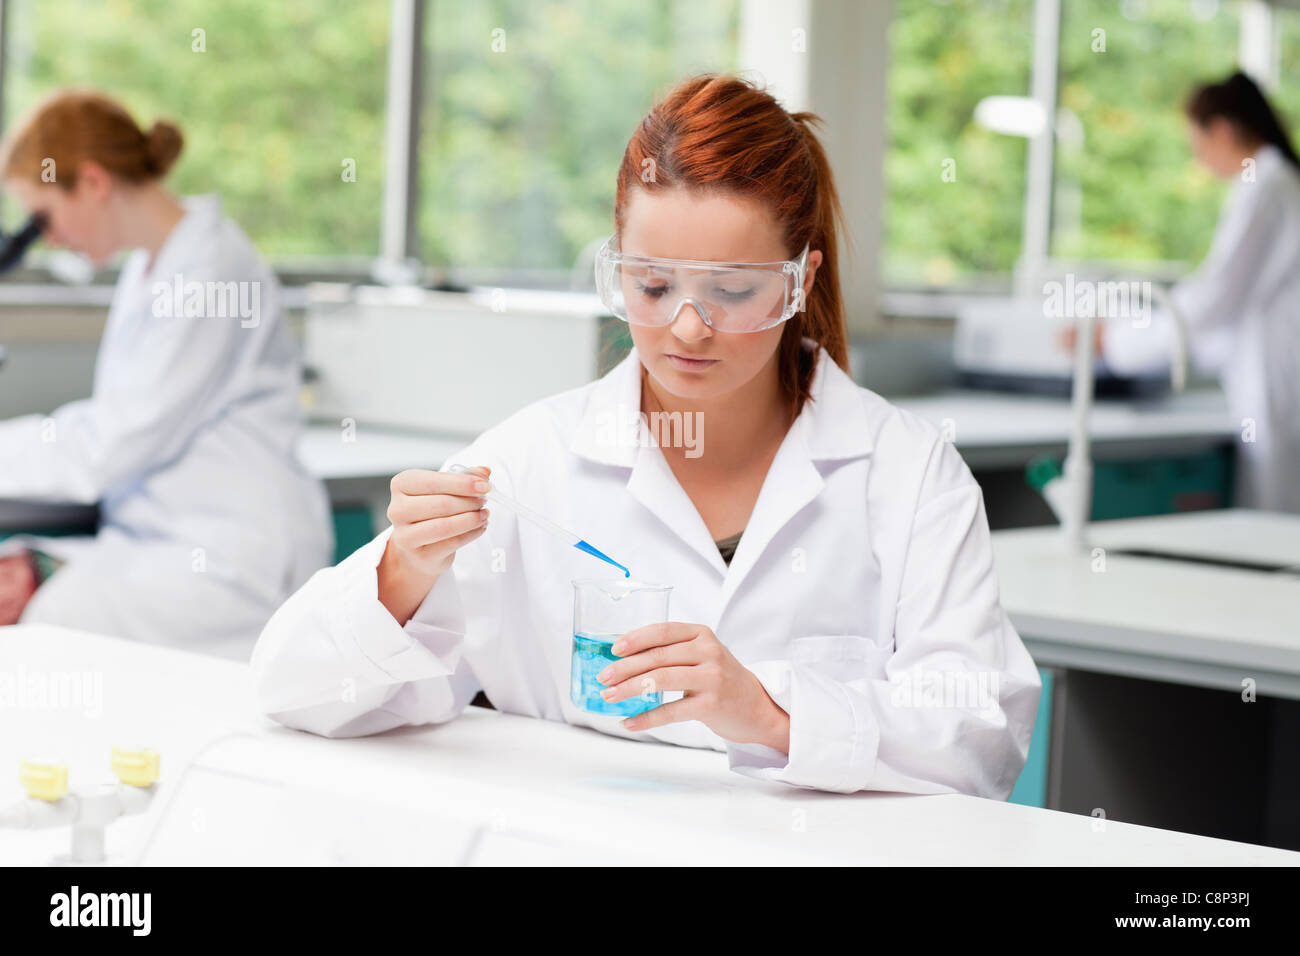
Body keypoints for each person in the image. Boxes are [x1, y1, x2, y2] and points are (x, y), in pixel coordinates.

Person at [251, 74, 1040, 798]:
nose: (687, 326)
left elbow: (985, 736)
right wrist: (401, 572)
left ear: (800, 281)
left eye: (732, 290)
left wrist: (770, 712)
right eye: (652, 285)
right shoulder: (534, 460)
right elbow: (293, 689)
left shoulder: (905, 472)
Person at [0, 90, 332, 659]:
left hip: (230, 558)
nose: (47, 238)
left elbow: (113, 441)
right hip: (160, 541)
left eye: (45, 216)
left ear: (95, 183)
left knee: (34, 631)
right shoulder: (153, 267)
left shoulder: (212, 272)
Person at [1070, 71, 1300, 513]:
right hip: (1274, 387)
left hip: (1278, 391)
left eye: (1198, 145)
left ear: (1223, 129)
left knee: (1276, 534)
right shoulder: (1277, 182)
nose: (1199, 161)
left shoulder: (1266, 186)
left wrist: (1115, 340)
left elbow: (1214, 300)